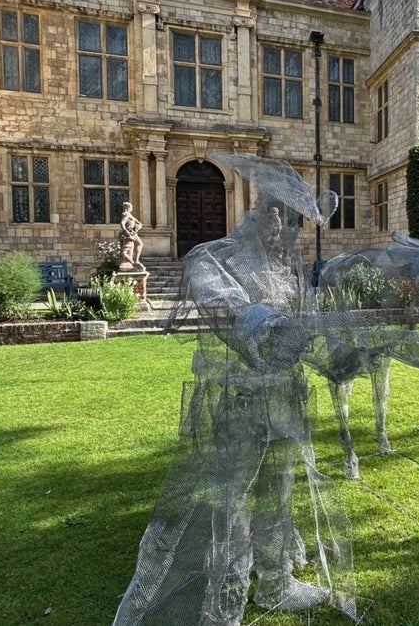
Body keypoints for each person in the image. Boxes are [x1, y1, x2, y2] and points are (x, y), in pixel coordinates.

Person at [113, 155, 352, 626]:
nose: (287, 228)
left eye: (295, 221)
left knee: (279, 495)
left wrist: (337, 353)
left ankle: (276, 581)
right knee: (231, 507)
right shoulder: (212, 257)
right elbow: (223, 304)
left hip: (286, 399)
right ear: (259, 211)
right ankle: (225, 604)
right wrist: (266, 324)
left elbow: (307, 329)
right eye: (278, 214)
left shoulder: (291, 268)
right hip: (236, 405)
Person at [118, 201, 144, 271]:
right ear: (128, 207)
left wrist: (138, 227)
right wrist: (125, 231)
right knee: (138, 245)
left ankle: (136, 260)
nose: (132, 208)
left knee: (140, 244)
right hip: (129, 232)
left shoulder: (130, 215)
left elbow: (140, 223)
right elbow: (122, 223)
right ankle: (135, 261)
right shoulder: (126, 215)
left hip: (133, 232)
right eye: (131, 207)